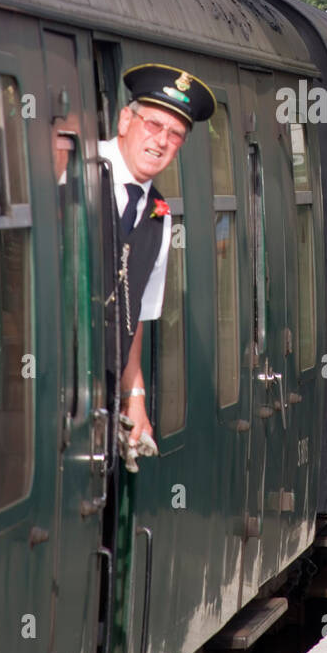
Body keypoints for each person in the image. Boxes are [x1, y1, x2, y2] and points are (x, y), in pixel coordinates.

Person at [99, 63, 215, 470]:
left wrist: (136, 399)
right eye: (153, 124)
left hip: (104, 400)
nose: (161, 140)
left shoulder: (158, 213)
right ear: (126, 119)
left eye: (175, 134)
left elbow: (138, 316)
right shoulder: (73, 176)